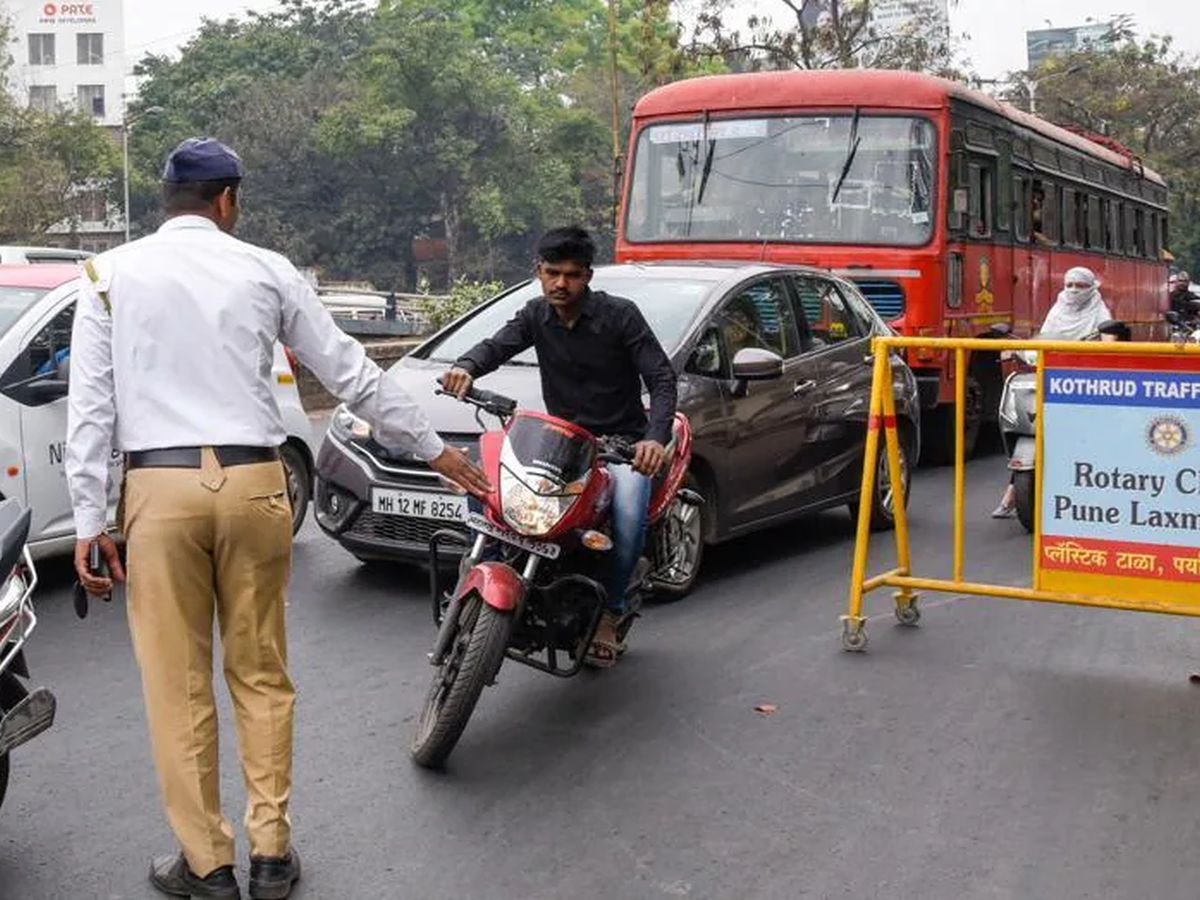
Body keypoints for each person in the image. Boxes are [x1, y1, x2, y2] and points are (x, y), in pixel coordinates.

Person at [64, 138, 488, 900]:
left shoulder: (106, 275)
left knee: (178, 684)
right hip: (259, 486)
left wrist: (90, 521)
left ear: (168, 201)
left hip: (159, 493)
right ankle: (270, 853)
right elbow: (352, 374)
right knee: (260, 674)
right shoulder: (266, 270)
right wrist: (435, 450)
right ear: (228, 200)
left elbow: (91, 409)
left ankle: (207, 864)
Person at [441, 226, 678, 668]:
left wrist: (654, 438)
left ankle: (610, 611)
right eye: (552, 273)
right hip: (561, 446)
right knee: (485, 486)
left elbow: (661, 379)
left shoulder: (621, 316)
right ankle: (483, 565)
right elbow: (496, 346)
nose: (560, 284)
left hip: (619, 447)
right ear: (539, 272)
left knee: (628, 519)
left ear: (588, 276)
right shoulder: (535, 315)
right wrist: (465, 367)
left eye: (571, 275)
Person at [992, 266, 1112, 518]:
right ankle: (1013, 493)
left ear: (1091, 288)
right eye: (1069, 285)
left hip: (1084, 381)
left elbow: (1109, 344)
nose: (1073, 291)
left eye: (1080, 286)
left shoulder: (1100, 312)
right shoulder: (1058, 309)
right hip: (1051, 379)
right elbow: (1045, 338)